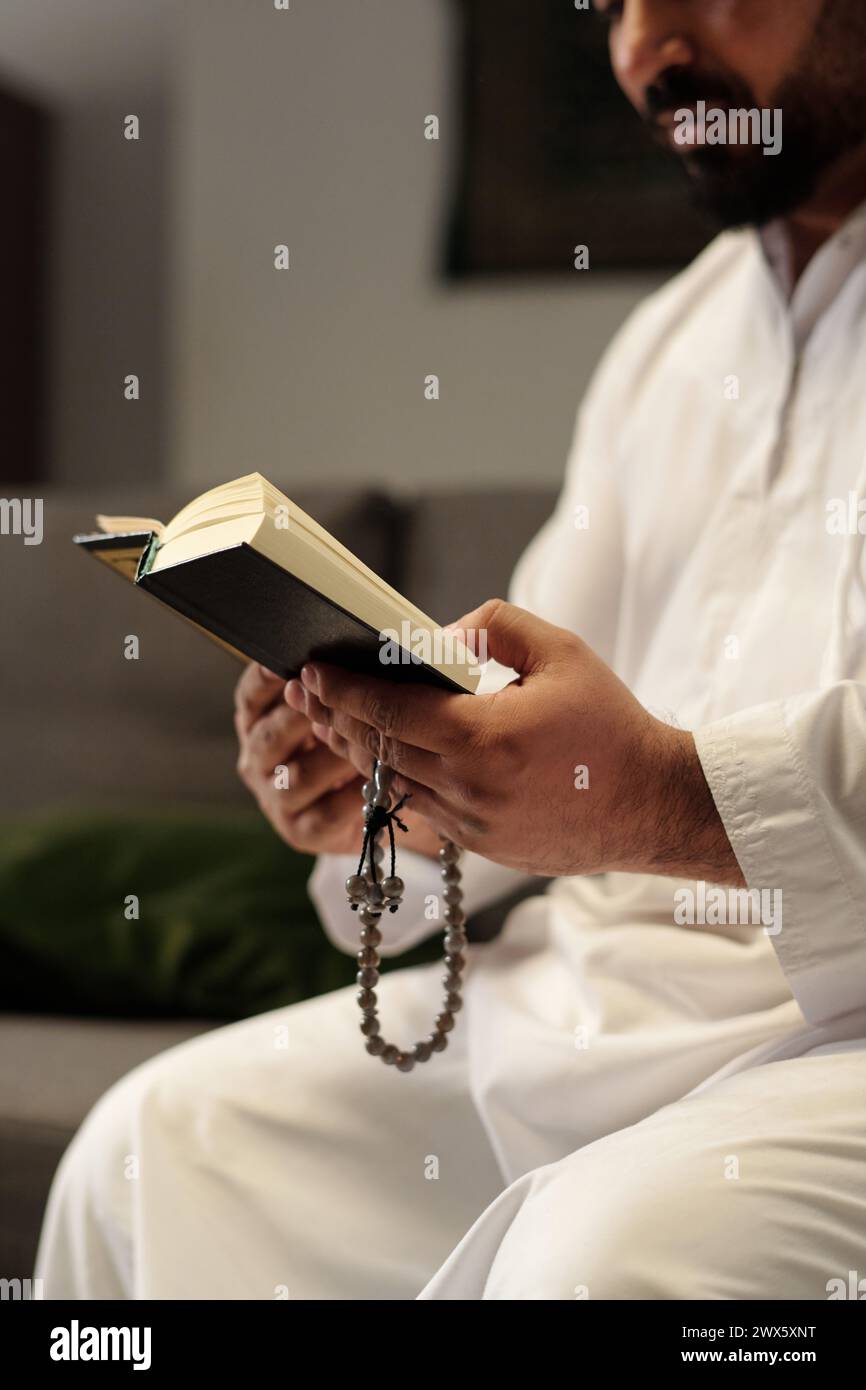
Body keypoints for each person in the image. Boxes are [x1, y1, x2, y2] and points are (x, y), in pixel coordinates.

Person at [37, 0, 866, 1299]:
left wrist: (654, 794)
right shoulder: (667, 349)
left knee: (602, 1262)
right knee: (152, 1149)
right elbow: (522, 719)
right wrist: (396, 785)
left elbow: (624, 779)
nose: (643, 51)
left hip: (835, 1050)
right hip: (596, 1002)